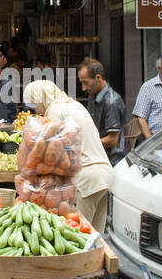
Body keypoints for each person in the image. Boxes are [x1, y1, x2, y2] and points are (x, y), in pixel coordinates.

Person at [22, 80, 114, 233]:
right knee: (96, 236)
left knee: (80, 234)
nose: (35, 110)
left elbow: (54, 151)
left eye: (34, 104)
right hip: (104, 174)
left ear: (40, 98)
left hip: (86, 178)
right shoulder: (74, 104)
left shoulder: (55, 110)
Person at [78, 59, 127, 166]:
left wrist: (84, 144)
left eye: (86, 82)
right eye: (81, 83)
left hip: (111, 161)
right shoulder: (92, 96)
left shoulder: (112, 101)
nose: (83, 88)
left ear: (98, 78)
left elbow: (112, 140)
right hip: (99, 157)